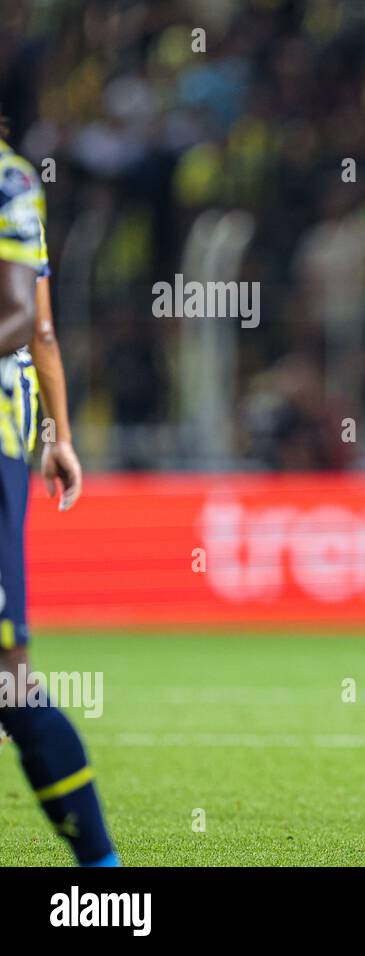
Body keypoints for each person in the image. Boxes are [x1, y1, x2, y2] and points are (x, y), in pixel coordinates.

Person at [0, 122, 116, 866]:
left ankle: (102, 873)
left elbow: (19, 315)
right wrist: (62, 435)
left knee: (8, 678)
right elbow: (42, 327)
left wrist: (56, 431)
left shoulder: (8, 182)